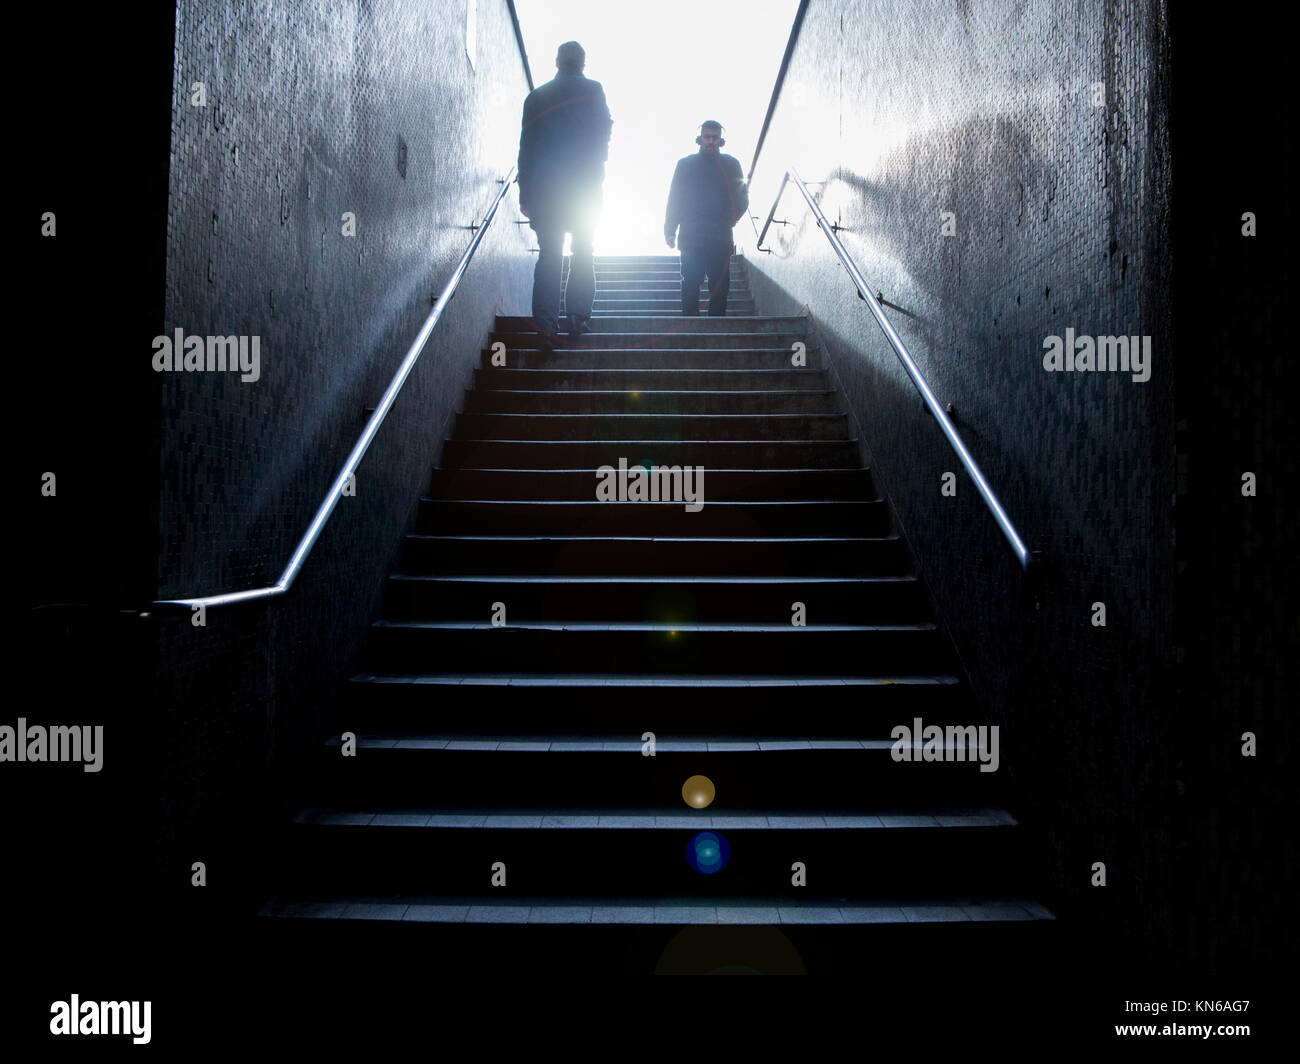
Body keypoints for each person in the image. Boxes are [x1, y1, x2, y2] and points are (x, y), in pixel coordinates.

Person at [517, 41, 612, 342]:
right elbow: (604, 135)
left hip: (546, 191)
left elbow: (526, 150)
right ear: (583, 64)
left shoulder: (536, 97)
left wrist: (525, 195)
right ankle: (577, 317)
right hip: (584, 189)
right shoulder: (594, 90)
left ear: (557, 62)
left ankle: (546, 327)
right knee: (583, 250)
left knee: (549, 257)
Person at [664, 120, 749, 317]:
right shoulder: (685, 165)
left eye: (715, 137)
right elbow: (675, 198)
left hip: (720, 236)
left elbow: (742, 198)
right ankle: (690, 325)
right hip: (691, 235)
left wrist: (731, 218)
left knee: (720, 283)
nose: (710, 141)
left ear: (721, 141)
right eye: (707, 137)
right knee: (691, 280)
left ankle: (717, 325)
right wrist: (669, 230)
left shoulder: (731, 164)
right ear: (700, 139)